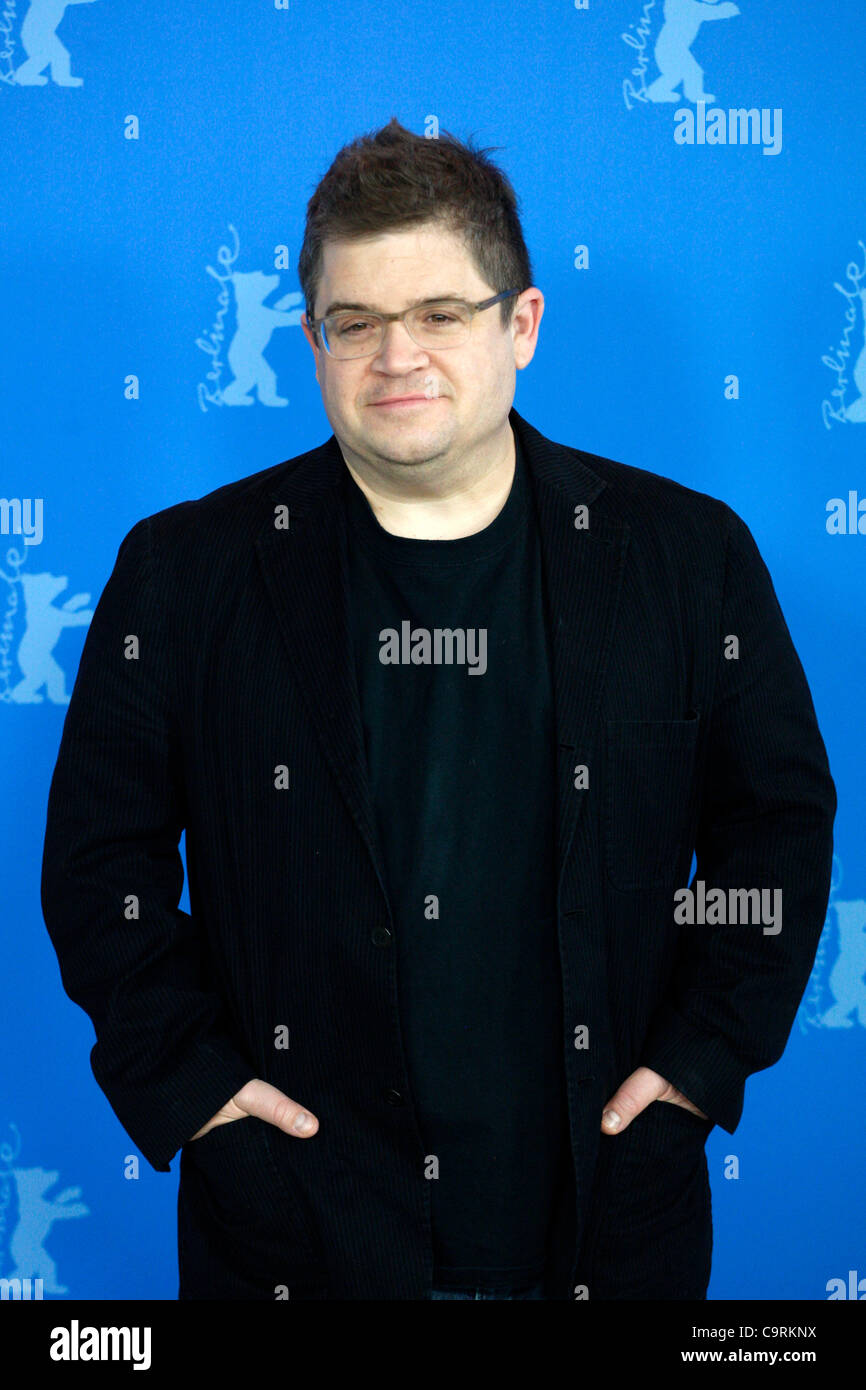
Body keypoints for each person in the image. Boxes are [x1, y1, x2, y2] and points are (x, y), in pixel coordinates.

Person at [41, 117, 836, 1302]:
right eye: (353, 323)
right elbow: (100, 858)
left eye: (439, 315)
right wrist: (194, 1090)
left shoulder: (681, 558)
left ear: (520, 325)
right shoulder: (185, 571)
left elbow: (772, 824)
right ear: (310, 340)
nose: (393, 355)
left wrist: (696, 1066)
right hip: (294, 1236)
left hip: (604, 1225)